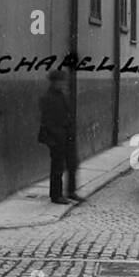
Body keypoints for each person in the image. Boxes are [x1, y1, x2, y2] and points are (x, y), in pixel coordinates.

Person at [38, 69, 82, 205]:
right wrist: (57, 137)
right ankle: (56, 195)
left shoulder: (62, 95)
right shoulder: (47, 98)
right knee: (57, 167)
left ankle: (71, 191)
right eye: (60, 81)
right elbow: (47, 121)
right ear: (54, 82)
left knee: (72, 163)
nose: (63, 84)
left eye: (63, 81)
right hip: (56, 138)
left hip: (67, 136)